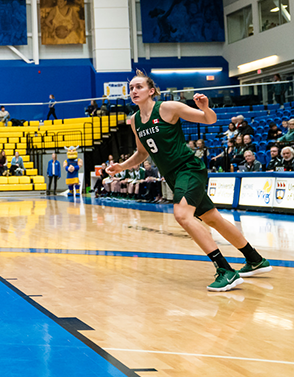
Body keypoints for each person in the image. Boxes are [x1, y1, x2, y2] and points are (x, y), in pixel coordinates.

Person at [106, 70, 271, 292]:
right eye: (131, 88)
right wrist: (121, 166)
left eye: (139, 87)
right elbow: (142, 152)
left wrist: (205, 107)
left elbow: (209, 119)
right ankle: (255, 259)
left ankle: (225, 270)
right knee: (213, 219)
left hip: (188, 169)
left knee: (182, 215)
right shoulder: (135, 120)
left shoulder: (167, 108)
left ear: (151, 91)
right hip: (174, 177)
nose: (134, 91)